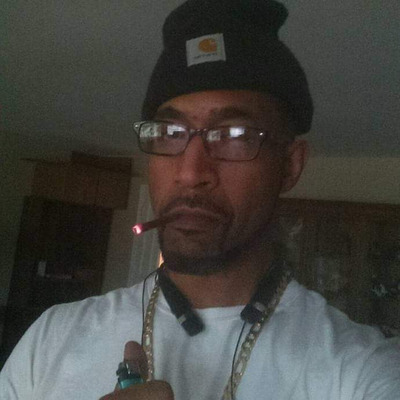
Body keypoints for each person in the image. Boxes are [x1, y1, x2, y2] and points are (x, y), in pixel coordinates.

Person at [1, 0, 400, 399]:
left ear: (291, 165)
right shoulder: (51, 338)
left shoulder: (359, 367)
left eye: (234, 135)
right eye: (169, 133)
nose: (191, 173)